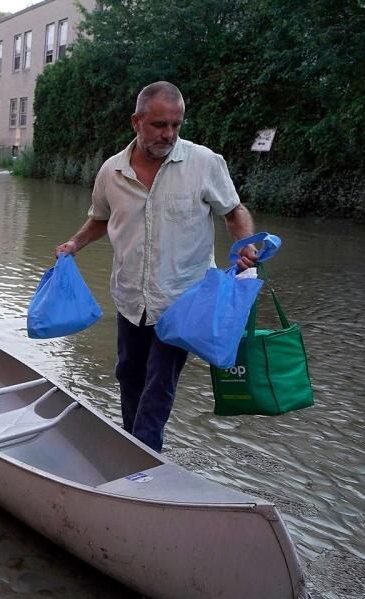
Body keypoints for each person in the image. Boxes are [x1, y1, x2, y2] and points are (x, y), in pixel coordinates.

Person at [55, 81, 259, 452]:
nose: (168, 134)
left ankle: (143, 460)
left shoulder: (204, 163)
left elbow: (234, 211)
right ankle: (135, 449)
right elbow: (100, 218)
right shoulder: (111, 172)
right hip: (130, 296)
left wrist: (245, 246)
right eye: (159, 125)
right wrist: (75, 243)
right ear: (136, 121)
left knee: (158, 386)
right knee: (128, 376)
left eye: (175, 125)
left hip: (183, 299)